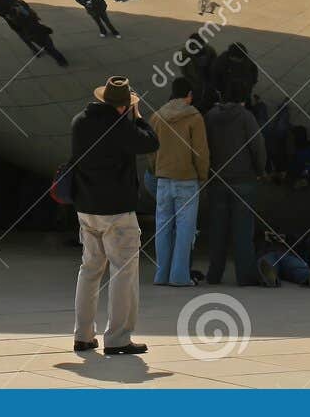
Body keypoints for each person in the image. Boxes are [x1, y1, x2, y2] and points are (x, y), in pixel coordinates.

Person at [67, 76, 159, 355]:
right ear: (123, 106)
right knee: (123, 272)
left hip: (86, 208)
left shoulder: (79, 121)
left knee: (90, 269)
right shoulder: (120, 127)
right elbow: (151, 143)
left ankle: (83, 335)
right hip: (117, 211)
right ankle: (118, 337)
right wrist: (139, 118)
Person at [204, 86, 266, 286]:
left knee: (217, 232)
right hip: (243, 181)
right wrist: (260, 170)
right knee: (243, 233)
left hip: (217, 181)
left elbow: (203, 146)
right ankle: (245, 276)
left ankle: (214, 274)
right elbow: (257, 146)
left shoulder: (210, 117)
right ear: (242, 100)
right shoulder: (246, 117)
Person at [150, 78, 209, 287]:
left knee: (162, 227)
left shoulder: (157, 117)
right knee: (185, 229)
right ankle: (179, 275)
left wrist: (156, 169)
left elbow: (151, 152)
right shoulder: (194, 117)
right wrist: (202, 175)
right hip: (186, 180)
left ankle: (161, 274)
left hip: (163, 180)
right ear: (189, 95)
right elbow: (200, 151)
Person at [0, 0, 68, 66]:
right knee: (25, 37)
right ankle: (35, 49)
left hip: (29, 21)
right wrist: (7, 14)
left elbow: (23, 3)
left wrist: (31, 13)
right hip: (15, 22)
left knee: (37, 38)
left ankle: (49, 50)